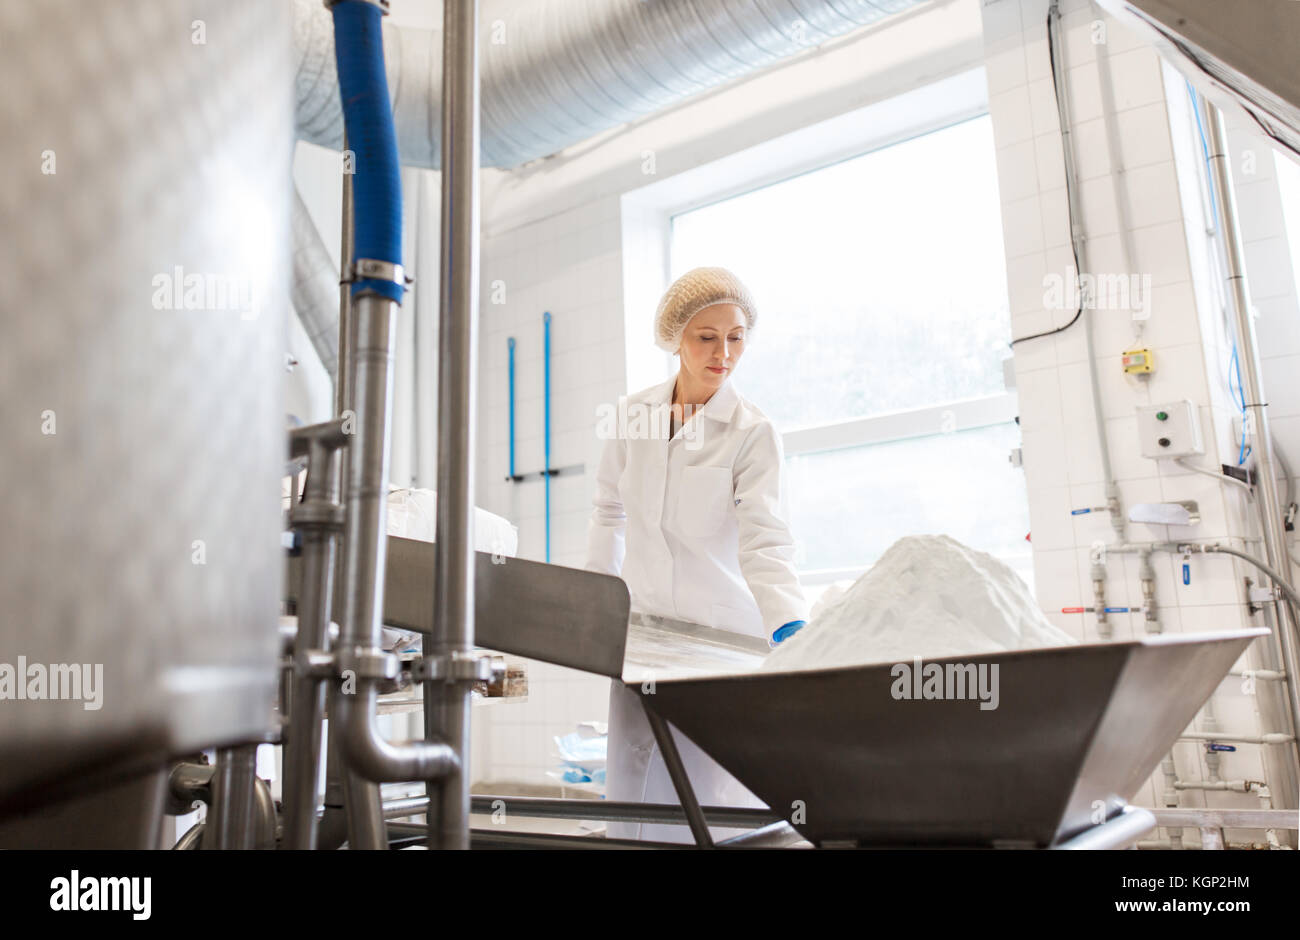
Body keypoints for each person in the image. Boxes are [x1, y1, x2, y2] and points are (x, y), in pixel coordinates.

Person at [585, 266, 808, 842]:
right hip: (639, 633)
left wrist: (789, 625)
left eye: (735, 336)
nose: (724, 352)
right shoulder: (633, 414)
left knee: (700, 806)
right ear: (675, 338)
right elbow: (608, 510)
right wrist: (591, 603)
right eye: (706, 336)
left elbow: (765, 537)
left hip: (716, 641)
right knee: (632, 790)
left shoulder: (752, 432)